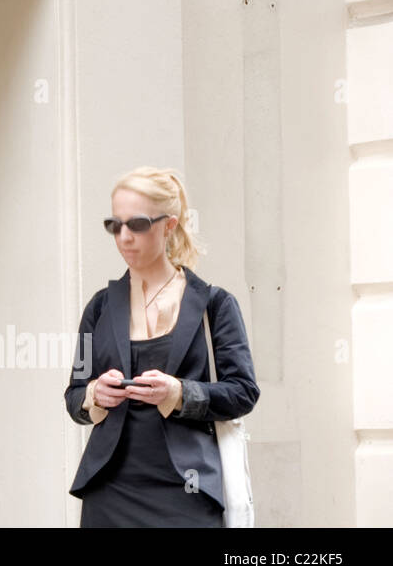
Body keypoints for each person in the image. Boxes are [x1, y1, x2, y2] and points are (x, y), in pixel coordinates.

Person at [64, 167, 260, 527]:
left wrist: (180, 393)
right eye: (114, 225)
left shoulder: (215, 305)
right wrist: (95, 394)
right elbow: (74, 397)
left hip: (189, 492)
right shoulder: (99, 307)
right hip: (110, 493)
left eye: (137, 224)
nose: (124, 237)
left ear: (169, 225)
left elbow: (244, 392)